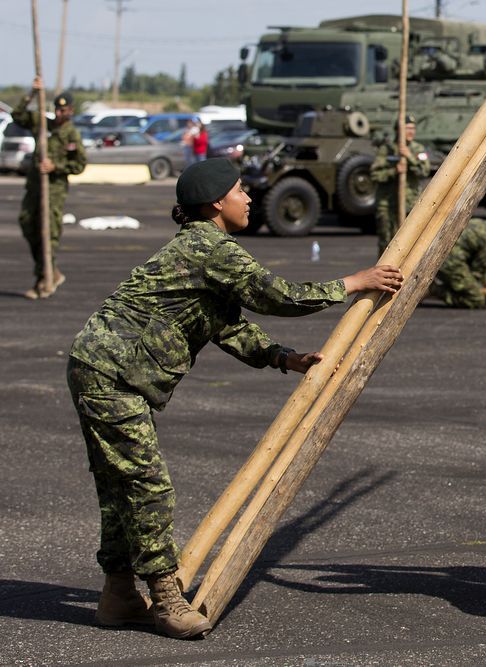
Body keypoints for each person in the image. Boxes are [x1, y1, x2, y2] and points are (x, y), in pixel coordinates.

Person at [65, 159, 404, 639]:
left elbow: (227, 326)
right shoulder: (209, 246)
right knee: (146, 485)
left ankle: (118, 596)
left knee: (122, 485)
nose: (248, 198)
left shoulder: (203, 249)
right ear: (215, 203)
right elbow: (279, 296)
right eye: (240, 190)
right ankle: (165, 599)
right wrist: (353, 282)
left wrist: (282, 358)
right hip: (111, 373)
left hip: (103, 369)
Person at [13, 76, 87, 299]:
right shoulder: (43, 124)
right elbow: (18, 116)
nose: (59, 113)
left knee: (49, 234)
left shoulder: (71, 134)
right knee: (27, 223)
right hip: (34, 187)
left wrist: (56, 167)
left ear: (71, 111)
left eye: (63, 110)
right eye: (56, 109)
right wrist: (32, 93)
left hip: (54, 190)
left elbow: (79, 164)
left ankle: (44, 279)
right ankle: (51, 271)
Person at [370, 114, 432, 256]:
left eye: (413, 128)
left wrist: (409, 157)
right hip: (388, 205)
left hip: (410, 204)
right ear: (398, 130)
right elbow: (375, 175)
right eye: (407, 128)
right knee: (387, 243)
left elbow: (424, 171)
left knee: (410, 244)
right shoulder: (386, 150)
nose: (411, 132)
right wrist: (393, 171)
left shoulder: (418, 149)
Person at [429, 211, 486, 308]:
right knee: (477, 299)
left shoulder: (477, 222)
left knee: (466, 284)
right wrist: (481, 287)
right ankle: (432, 289)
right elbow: (477, 270)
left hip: (437, 256)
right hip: (451, 263)